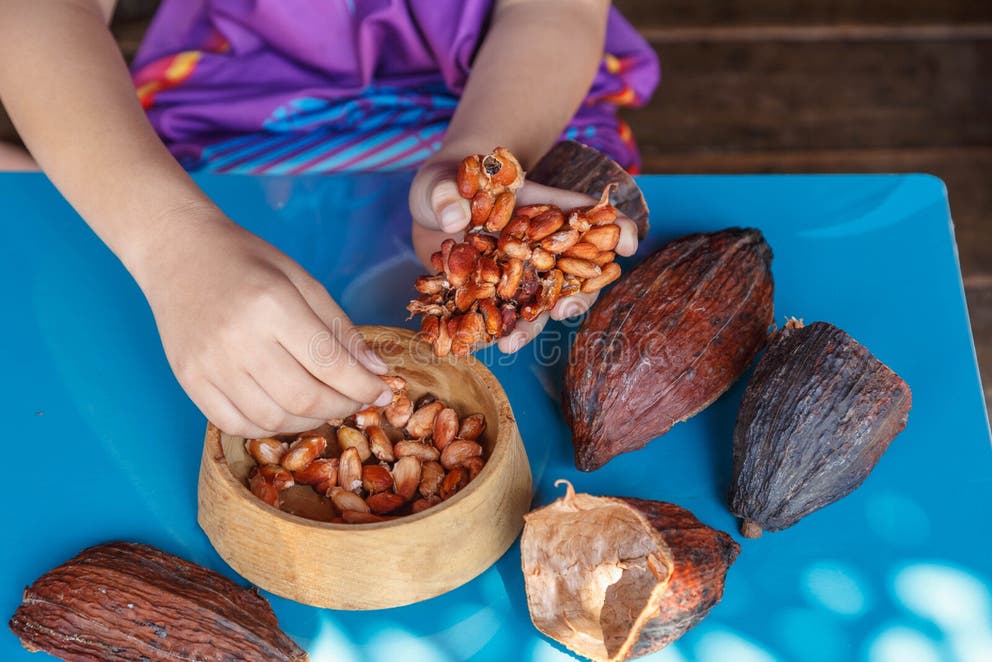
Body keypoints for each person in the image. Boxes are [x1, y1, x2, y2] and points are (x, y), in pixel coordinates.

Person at [0, 0, 659, 437]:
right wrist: (169, 238)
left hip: (507, 107)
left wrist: (473, 165)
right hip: (239, 122)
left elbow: (554, 14)